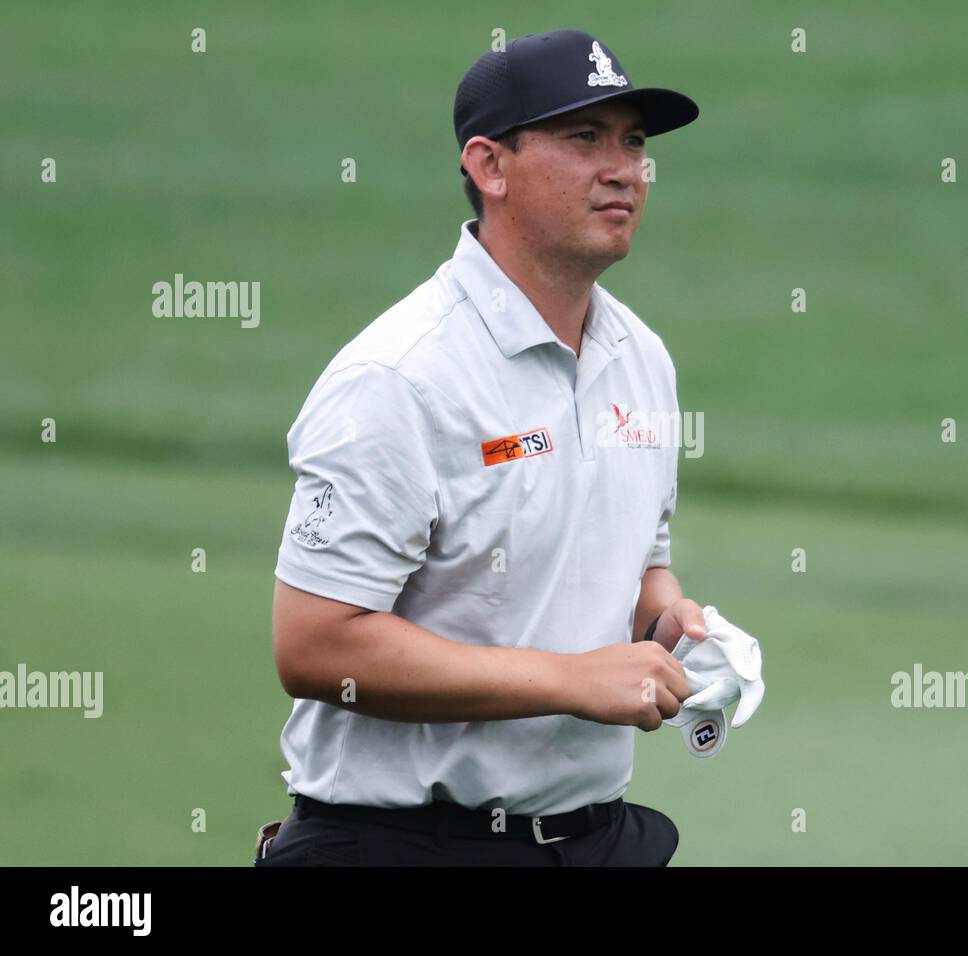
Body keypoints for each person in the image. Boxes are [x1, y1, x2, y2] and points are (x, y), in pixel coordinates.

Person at [256, 28, 706, 866]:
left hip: (595, 839)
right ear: (489, 167)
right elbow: (317, 644)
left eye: (634, 142)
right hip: (405, 844)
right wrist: (573, 681)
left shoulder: (640, 358)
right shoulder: (398, 377)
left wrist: (668, 621)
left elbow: (639, 560)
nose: (623, 168)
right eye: (584, 138)